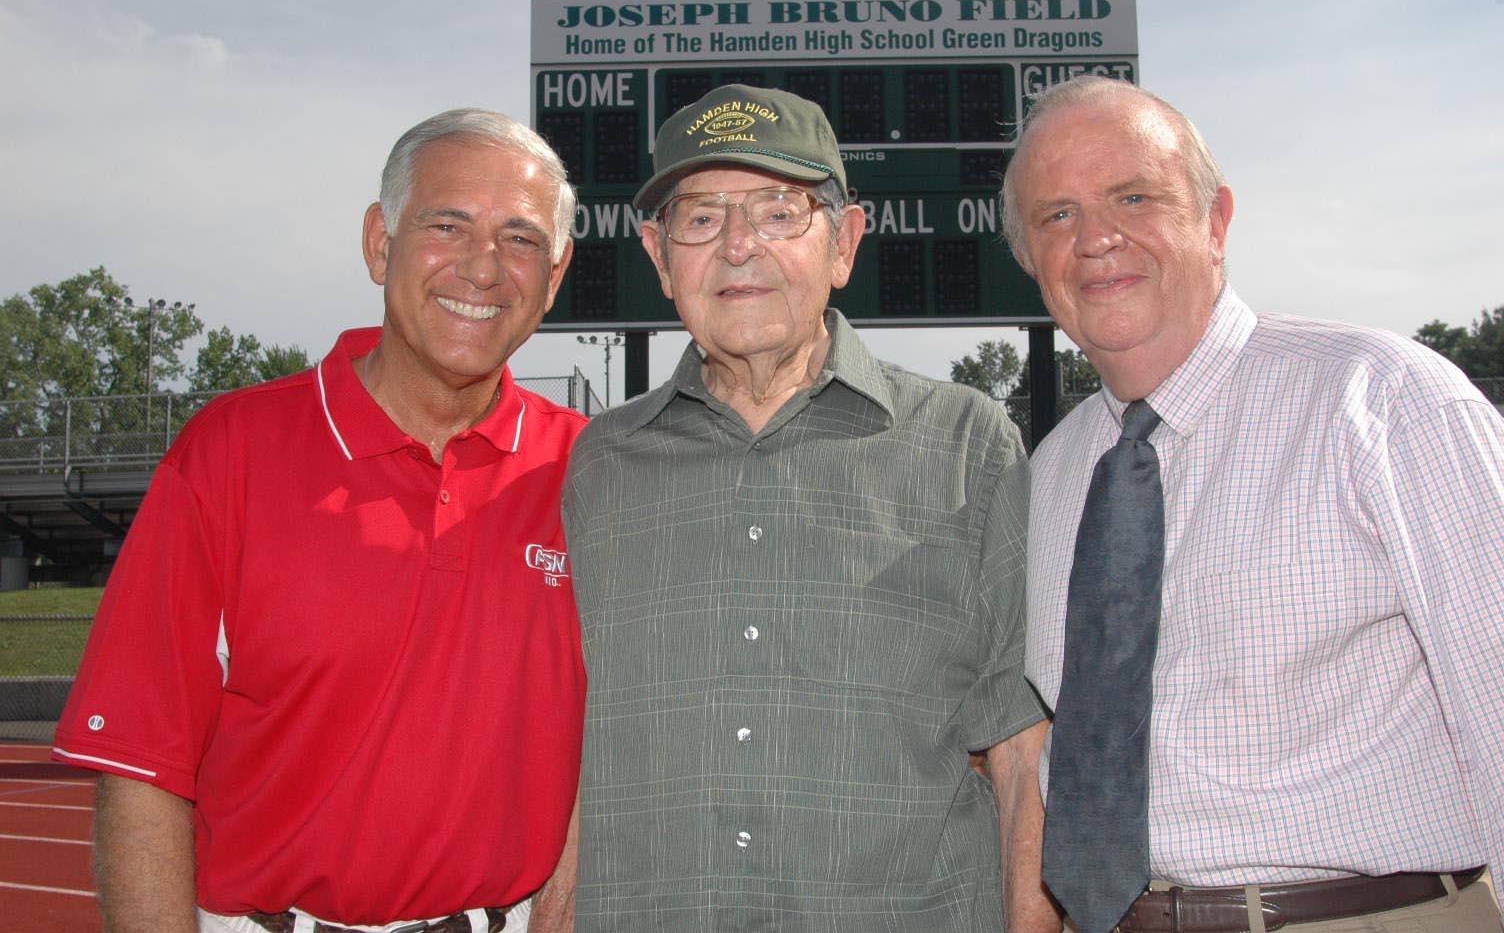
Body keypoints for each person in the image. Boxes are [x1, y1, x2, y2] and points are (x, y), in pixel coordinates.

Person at [53, 109, 588, 933]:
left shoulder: (593, 472)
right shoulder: (229, 453)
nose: (483, 268)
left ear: (554, 275)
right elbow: (140, 765)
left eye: (520, 239)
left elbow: (620, 738)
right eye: (447, 225)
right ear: (380, 242)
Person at [1008, 74, 1504, 933]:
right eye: (1057, 215)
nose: (1095, 239)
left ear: (1215, 221)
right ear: (1030, 259)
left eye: (1134, 197)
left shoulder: (1385, 402)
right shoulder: (1052, 473)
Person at [556, 83, 1053, 933]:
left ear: (845, 243)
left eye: (779, 213)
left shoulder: (970, 446)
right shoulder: (596, 467)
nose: (738, 246)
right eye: (700, 218)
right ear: (659, 256)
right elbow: (570, 757)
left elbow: (1021, 752)